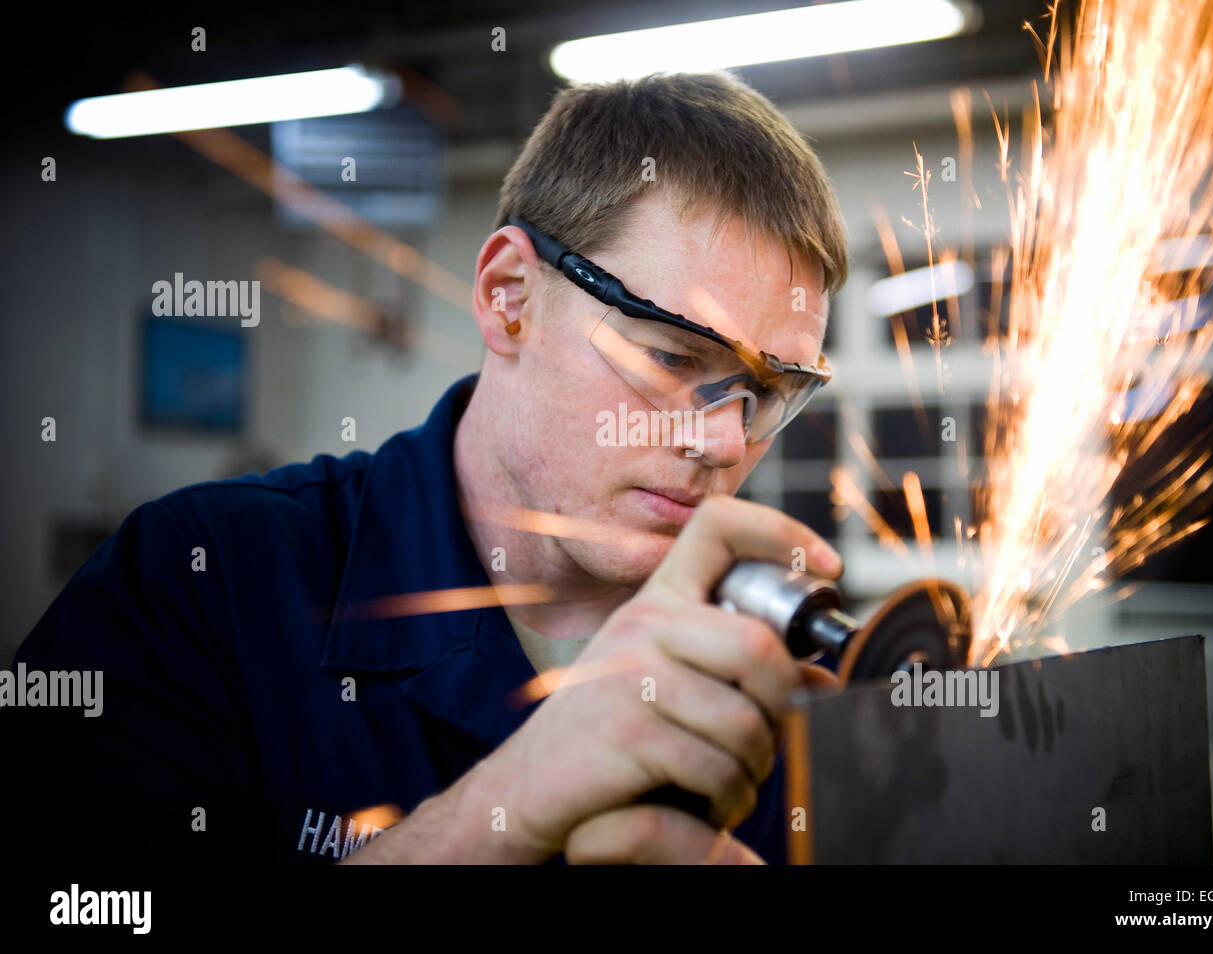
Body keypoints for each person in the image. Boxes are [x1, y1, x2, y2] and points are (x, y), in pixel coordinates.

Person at [9, 71, 849, 864]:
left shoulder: (784, 677)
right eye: (672, 356)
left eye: (771, 393)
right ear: (509, 296)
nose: (727, 442)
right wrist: (511, 802)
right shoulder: (203, 583)